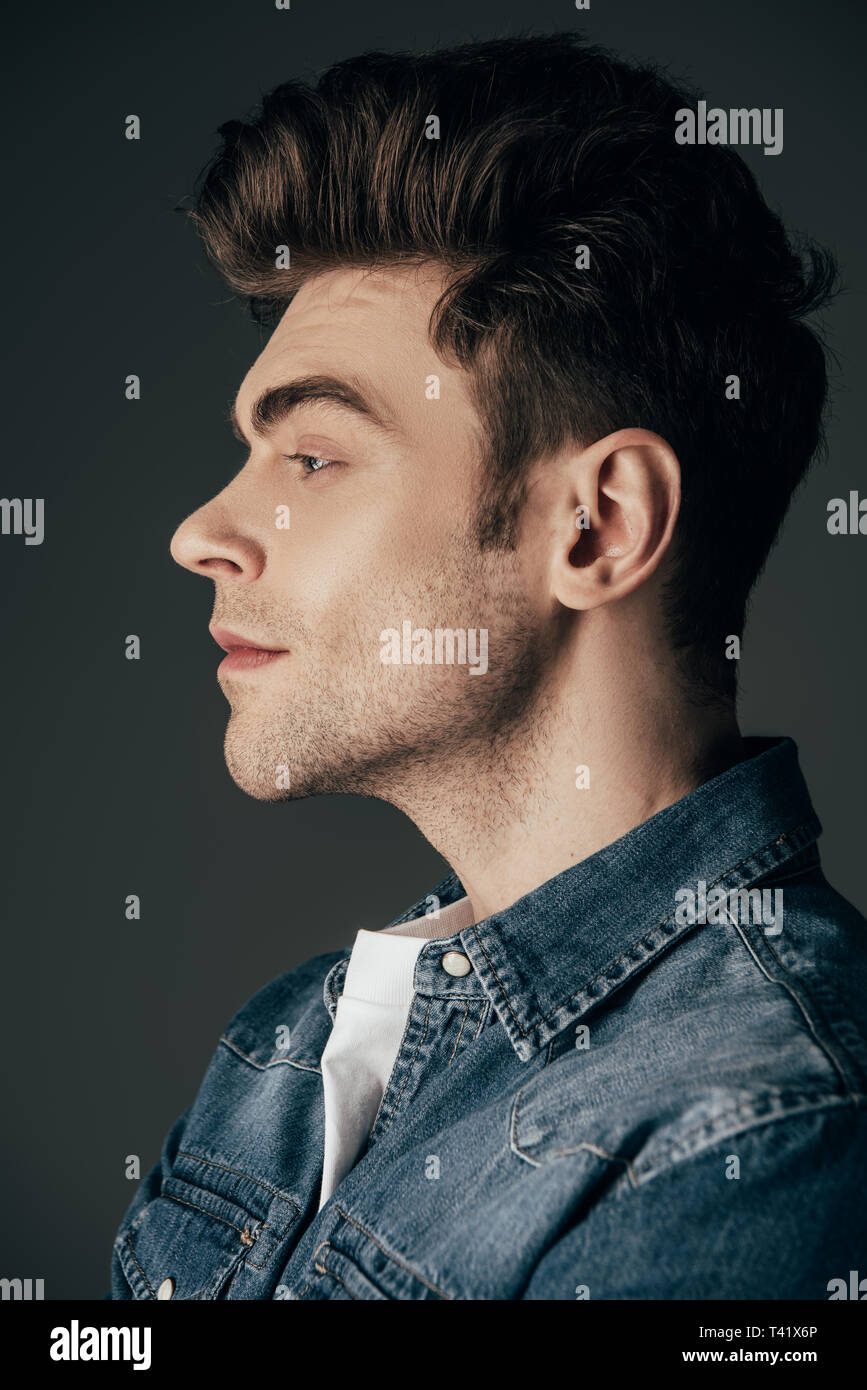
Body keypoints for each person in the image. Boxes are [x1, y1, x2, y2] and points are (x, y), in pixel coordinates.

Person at [108, 32, 867, 1300]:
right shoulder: (285, 1052)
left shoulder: (762, 1130)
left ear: (598, 524)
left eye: (311, 460)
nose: (200, 534)